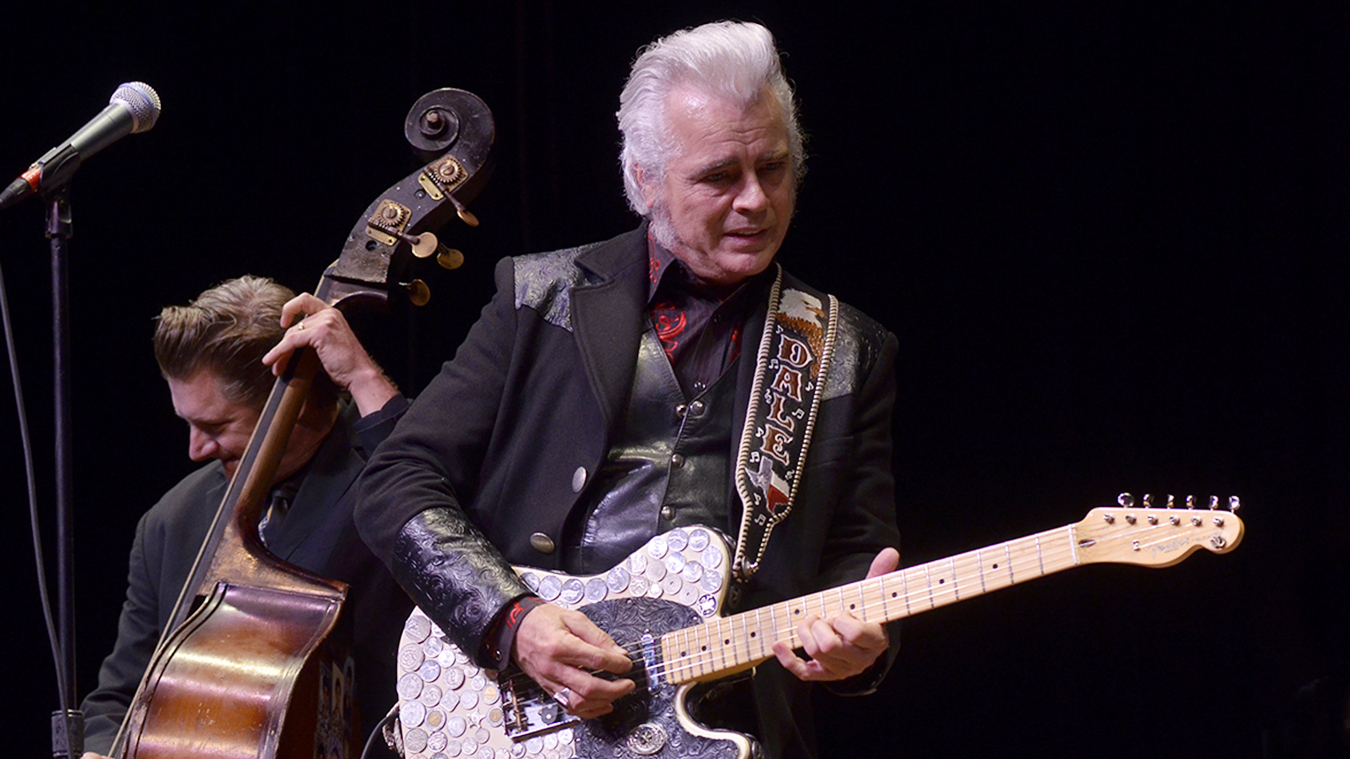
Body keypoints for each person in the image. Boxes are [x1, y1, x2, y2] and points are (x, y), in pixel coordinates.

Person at [357, 20, 901, 759]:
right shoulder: (537, 296)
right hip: (518, 718)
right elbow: (396, 481)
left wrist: (858, 649)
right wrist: (512, 620)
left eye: (773, 168)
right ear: (644, 179)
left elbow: (857, 568)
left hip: (727, 729)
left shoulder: (844, 348)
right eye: (719, 176)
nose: (755, 201)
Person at [79, 276, 412, 758]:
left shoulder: (390, 469)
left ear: (289, 406)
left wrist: (363, 376)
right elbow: (119, 696)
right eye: (187, 424)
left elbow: (454, 531)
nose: (194, 451)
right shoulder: (170, 522)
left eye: (215, 426)